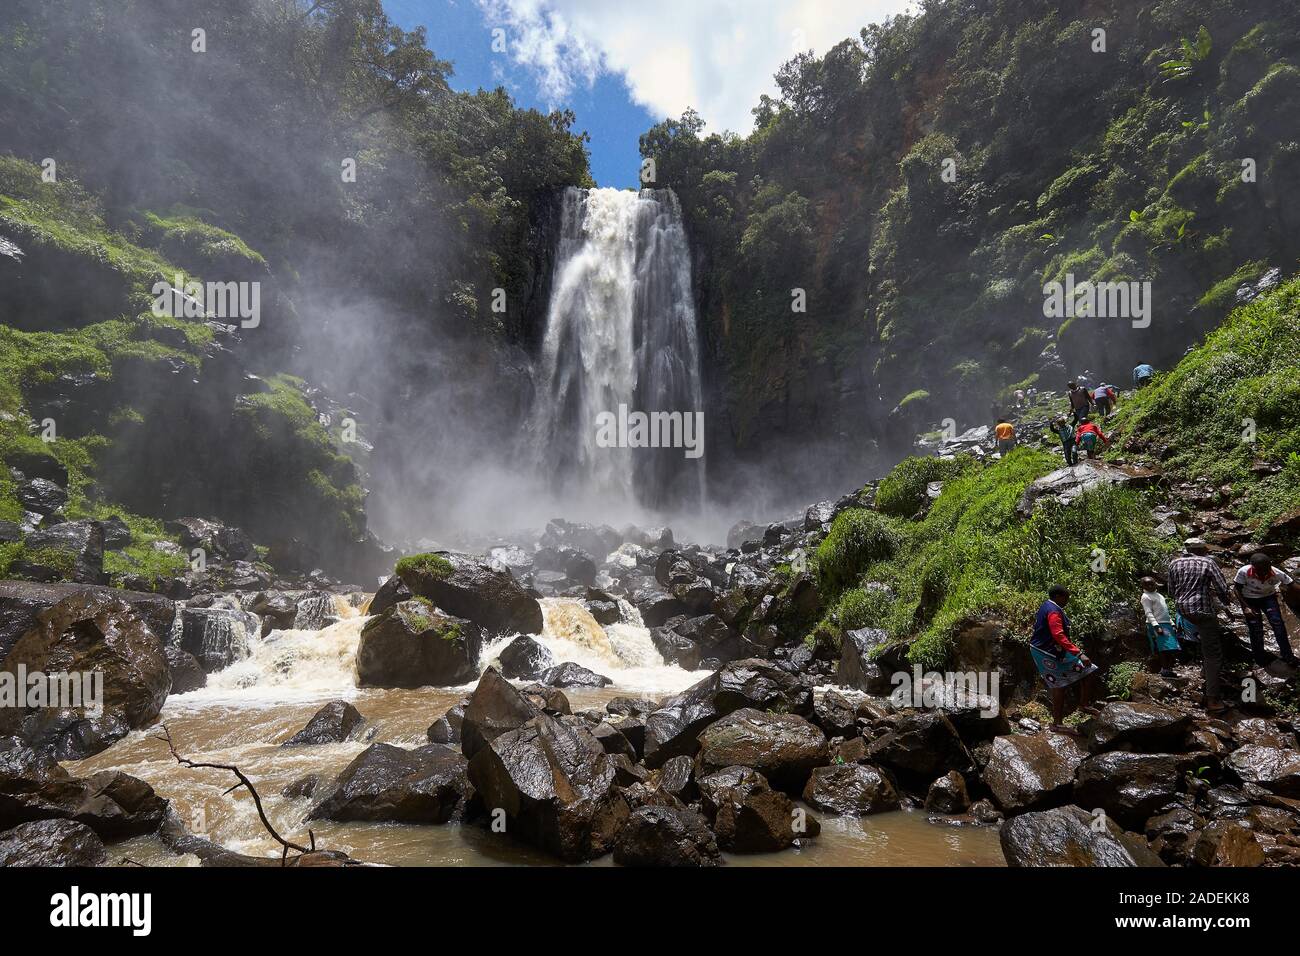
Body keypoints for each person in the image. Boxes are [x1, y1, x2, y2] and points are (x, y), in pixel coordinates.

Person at [1168, 538, 1231, 713]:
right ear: (1202, 549)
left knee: (1202, 637)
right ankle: (1213, 699)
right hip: (1202, 610)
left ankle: (1205, 672)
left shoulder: (1174, 563)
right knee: (1213, 653)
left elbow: (1171, 591)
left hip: (1183, 609)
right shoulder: (1207, 562)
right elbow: (1222, 588)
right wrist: (1226, 603)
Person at [1030, 585, 1100, 734]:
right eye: (1065, 598)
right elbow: (1058, 634)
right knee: (1058, 685)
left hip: (1056, 650)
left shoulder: (1048, 605)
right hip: (1045, 652)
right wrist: (1079, 653)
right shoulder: (1053, 610)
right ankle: (1057, 724)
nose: (1067, 601)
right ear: (1057, 597)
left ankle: (1084, 705)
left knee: (1089, 670)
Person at [1233, 552, 1297, 667]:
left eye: (1266, 569)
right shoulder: (1243, 571)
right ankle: (1259, 658)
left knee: (1278, 625)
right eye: (1260, 570)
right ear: (1253, 567)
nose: (1263, 572)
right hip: (1249, 600)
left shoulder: (1275, 572)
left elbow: (1292, 584)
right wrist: (1246, 607)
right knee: (1255, 629)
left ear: (1269, 566)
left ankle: (1288, 656)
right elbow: (1236, 589)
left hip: (1268, 598)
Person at [1141, 577, 1179, 677]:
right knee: (1163, 648)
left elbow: (1165, 612)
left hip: (1166, 624)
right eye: (1147, 584)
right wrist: (1156, 626)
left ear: (1155, 584)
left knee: (1172, 647)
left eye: (1152, 584)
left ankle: (1168, 668)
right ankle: (1165, 669)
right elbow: (1148, 613)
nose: (1150, 586)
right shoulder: (1146, 596)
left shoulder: (1159, 595)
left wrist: (1172, 623)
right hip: (1157, 624)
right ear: (1143, 586)